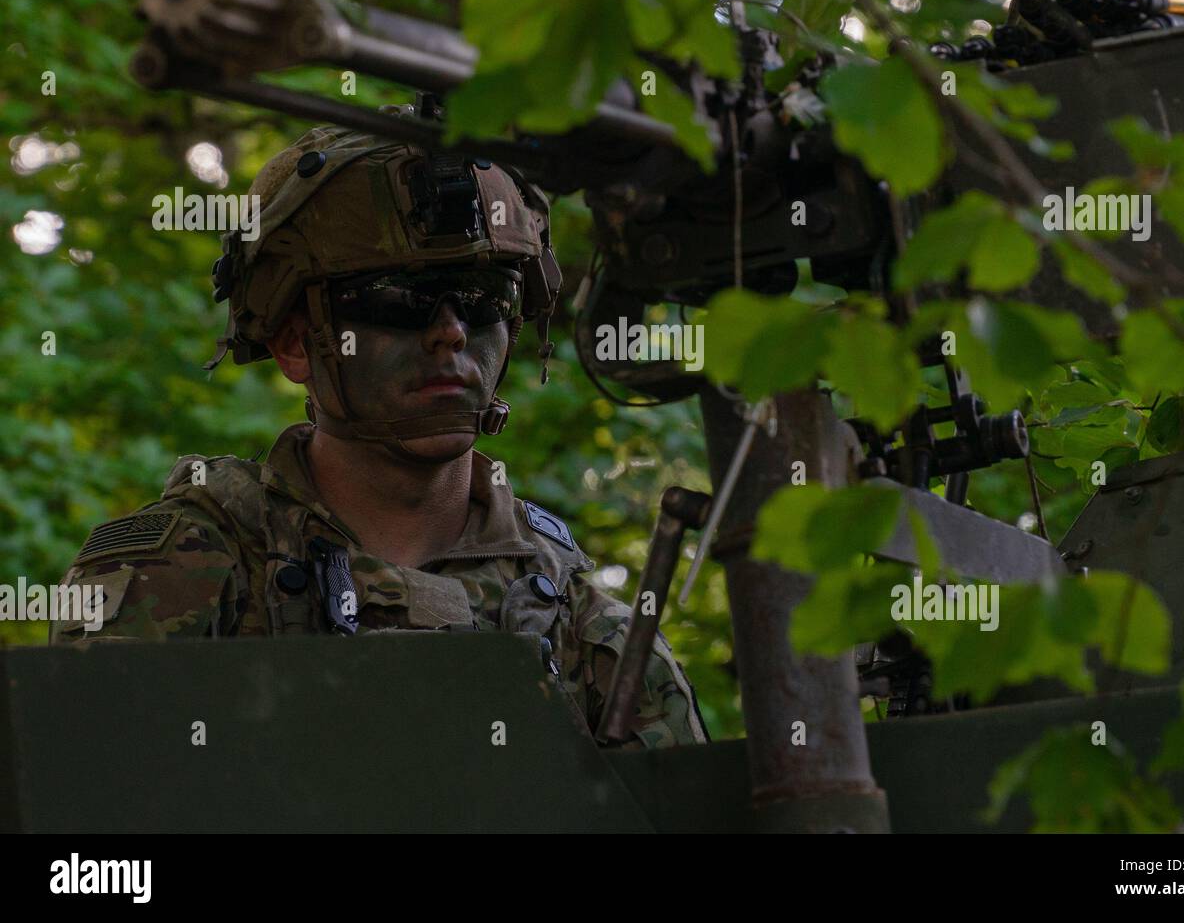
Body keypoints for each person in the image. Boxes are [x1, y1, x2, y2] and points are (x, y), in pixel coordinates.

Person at [50, 110, 708, 750]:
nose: (450, 331)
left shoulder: (572, 608)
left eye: (484, 297)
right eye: (398, 299)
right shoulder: (183, 568)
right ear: (295, 345)